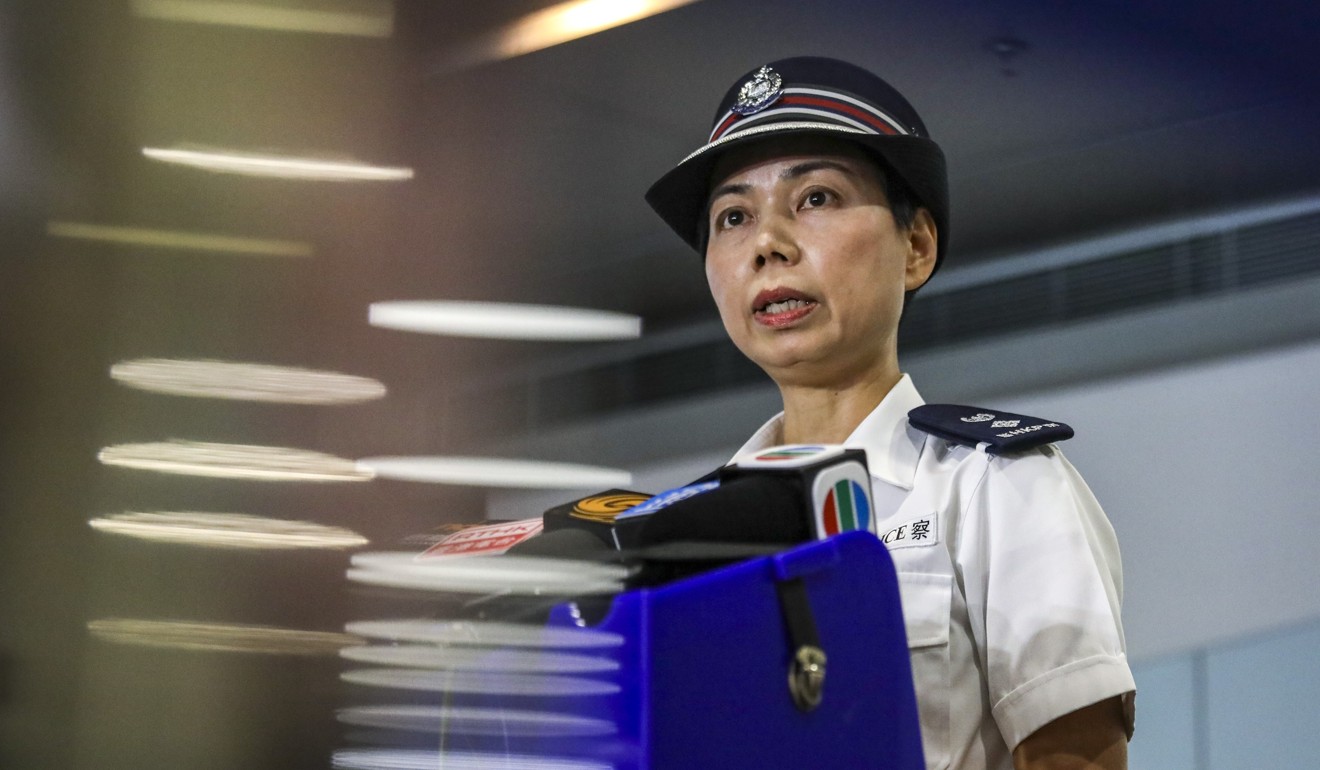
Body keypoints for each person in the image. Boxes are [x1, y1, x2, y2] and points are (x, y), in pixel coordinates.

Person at [644, 57, 1135, 770]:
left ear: (916, 246)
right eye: (733, 216)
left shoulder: (995, 486)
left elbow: (1075, 756)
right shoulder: (684, 534)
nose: (767, 244)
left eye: (815, 198)